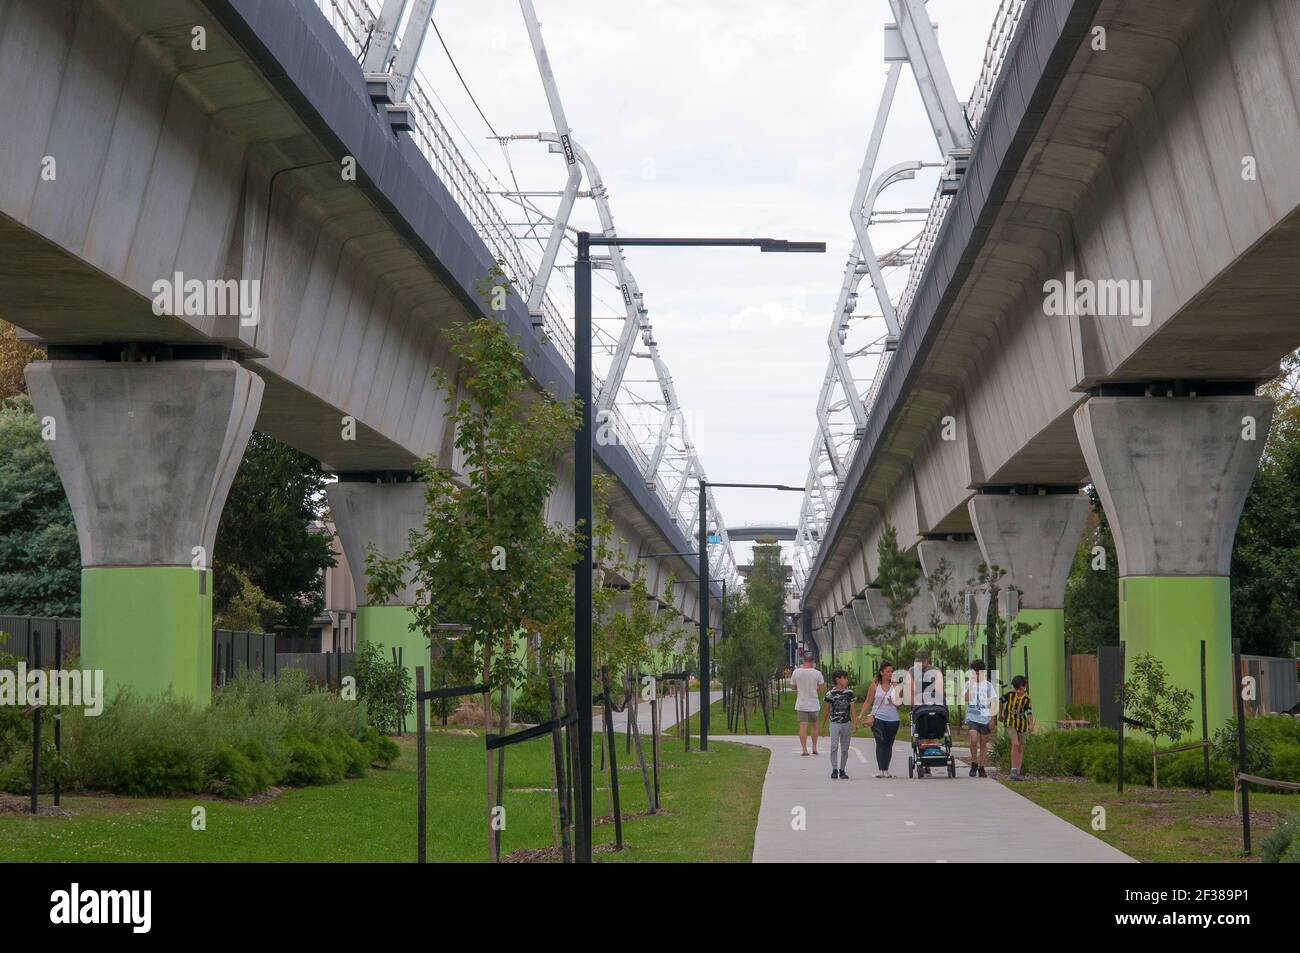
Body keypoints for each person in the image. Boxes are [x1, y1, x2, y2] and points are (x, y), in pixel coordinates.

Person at [858, 662, 901, 778]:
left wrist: (894, 702)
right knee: (880, 742)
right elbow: (868, 701)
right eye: (887, 671)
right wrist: (861, 714)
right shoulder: (874, 685)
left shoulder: (895, 686)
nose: (890, 673)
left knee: (888, 744)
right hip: (878, 718)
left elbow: (899, 704)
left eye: (891, 671)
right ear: (881, 672)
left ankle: (886, 769)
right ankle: (880, 769)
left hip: (893, 719)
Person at [820, 670, 857, 779]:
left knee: (845, 748)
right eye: (844, 678)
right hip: (834, 723)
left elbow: (853, 709)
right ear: (837, 679)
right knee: (834, 746)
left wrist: (854, 723)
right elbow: (826, 710)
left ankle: (842, 769)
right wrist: (822, 726)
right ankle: (834, 769)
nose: (846, 680)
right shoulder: (830, 694)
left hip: (846, 723)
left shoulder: (850, 693)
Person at [999, 675, 1035, 780]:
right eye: (1016, 689)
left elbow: (1029, 713)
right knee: (1015, 743)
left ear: (1025, 687)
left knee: (1021, 748)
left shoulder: (1027, 699)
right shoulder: (1010, 694)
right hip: (1010, 722)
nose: (1018, 691)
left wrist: (1031, 724)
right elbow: (1000, 700)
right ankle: (1013, 769)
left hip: (1022, 724)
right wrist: (1000, 714)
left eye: (1020, 689)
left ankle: (1018, 772)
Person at [964, 659, 995, 777]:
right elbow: (966, 698)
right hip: (972, 716)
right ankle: (974, 763)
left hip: (985, 717)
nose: (976, 674)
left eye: (978, 672)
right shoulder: (968, 684)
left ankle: (982, 767)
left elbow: (993, 702)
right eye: (974, 672)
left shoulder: (988, 685)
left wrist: (992, 719)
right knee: (973, 739)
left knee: (983, 743)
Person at [791, 654, 826, 756]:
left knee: (803, 727)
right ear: (812, 662)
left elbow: (793, 686)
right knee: (814, 726)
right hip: (814, 704)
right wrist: (816, 690)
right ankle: (814, 748)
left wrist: (799, 688)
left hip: (801, 704)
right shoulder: (817, 673)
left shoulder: (796, 672)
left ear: (803, 661)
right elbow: (822, 687)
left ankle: (804, 749)